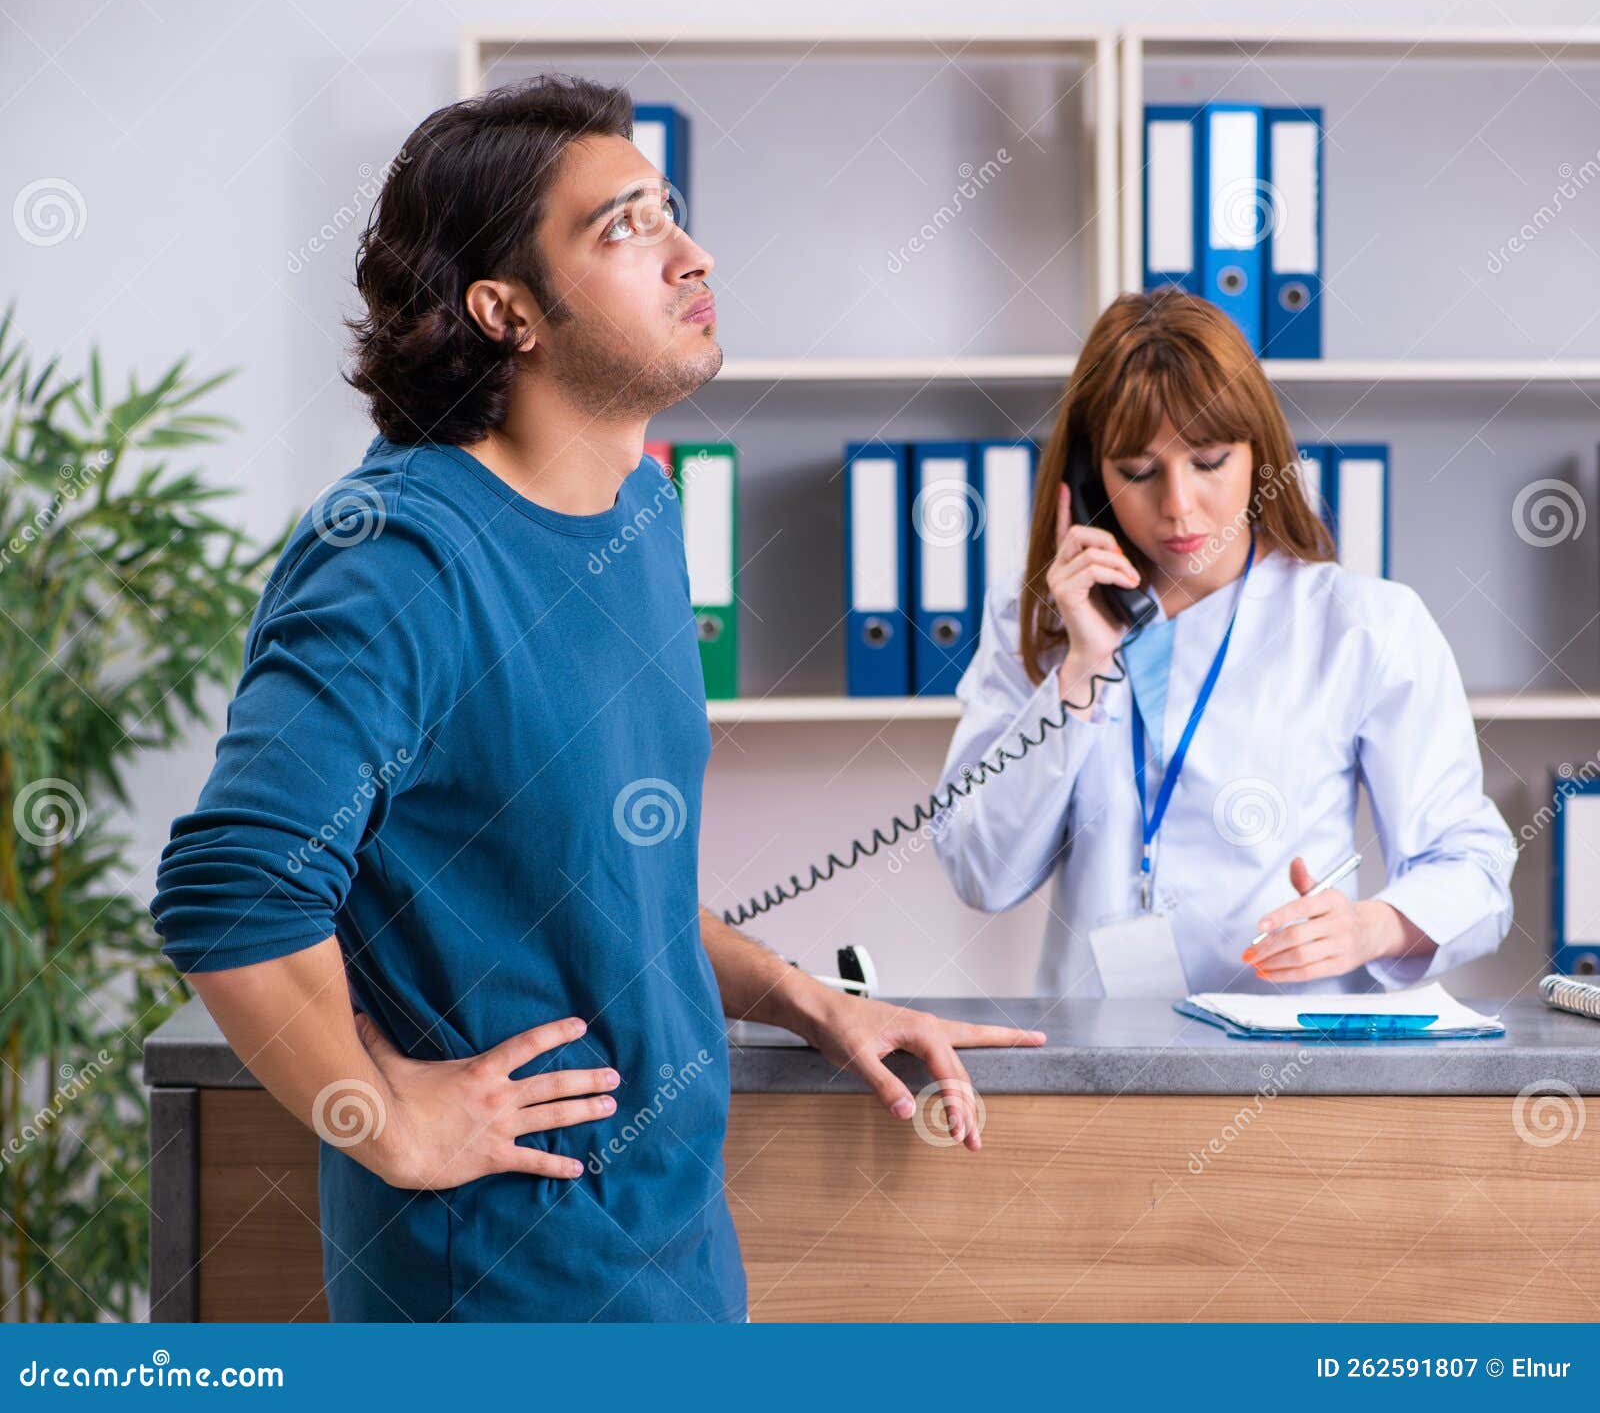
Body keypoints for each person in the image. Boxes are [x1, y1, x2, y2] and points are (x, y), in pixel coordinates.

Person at [151, 74, 1044, 1324]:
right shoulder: (397, 557)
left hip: (672, 1259)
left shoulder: (640, 510)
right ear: (504, 309)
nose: (690, 254)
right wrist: (390, 1125)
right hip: (502, 1291)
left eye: (668, 210)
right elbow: (232, 888)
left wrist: (803, 996)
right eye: (623, 227)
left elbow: (597, 877)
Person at [932, 289, 1515, 1000]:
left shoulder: (1364, 624)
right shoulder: (1040, 621)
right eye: (1138, 472)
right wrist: (1080, 670)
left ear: (1259, 452)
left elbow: (1472, 866)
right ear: (1087, 478)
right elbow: (980, 872)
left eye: (1208, 461)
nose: (1178, 506)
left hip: (1284, 1063)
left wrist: (1374, 927)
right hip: (1092, 1065)